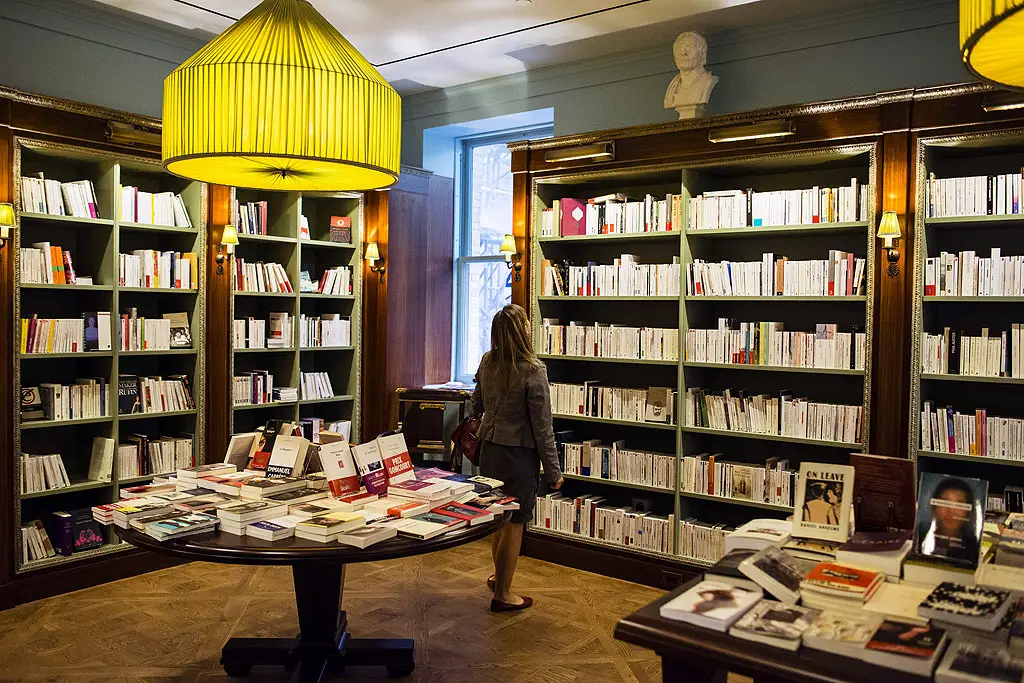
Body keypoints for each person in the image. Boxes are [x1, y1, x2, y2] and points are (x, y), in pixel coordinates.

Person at [472, 304, 563, 612]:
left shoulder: (488, 361)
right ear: (523, 330)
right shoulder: (533, 369)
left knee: (499, 517)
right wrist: (554, 471)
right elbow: (542, 427)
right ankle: (504, 594)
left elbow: (476, 404)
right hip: (519, 455)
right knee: (516, 523)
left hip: (489, 451)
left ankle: (499, 579)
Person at [917, 477, 981, 564]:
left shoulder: (974, 545)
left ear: (969, 511)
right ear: (934, 506)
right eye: (944, 502)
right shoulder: (919, 535)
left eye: (959, 504)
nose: (951, 510)